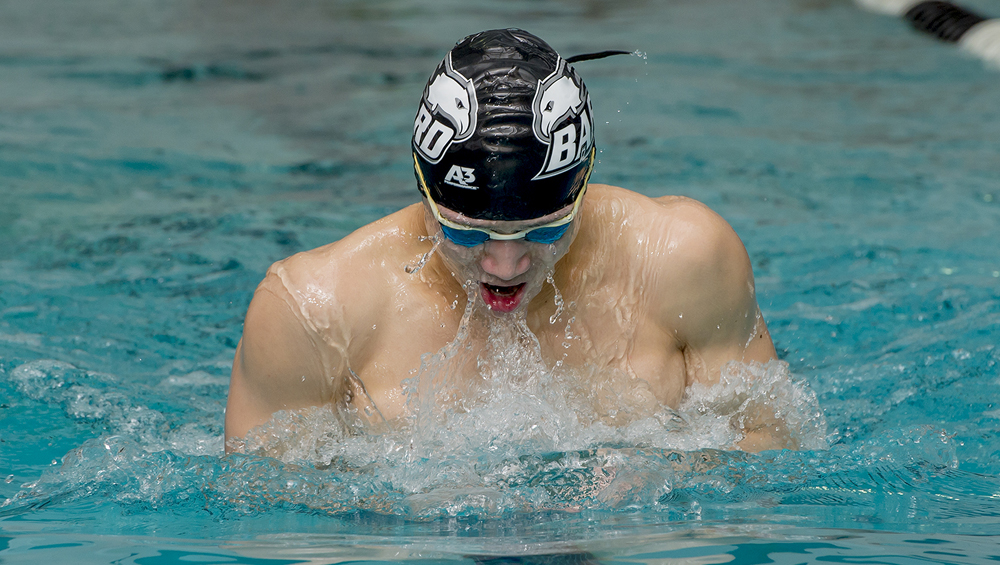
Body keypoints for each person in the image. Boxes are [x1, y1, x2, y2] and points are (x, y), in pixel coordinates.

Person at [225, 29, 789, 452]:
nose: (505, 263)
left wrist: (656, 481)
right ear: (424, 192)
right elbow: (275, 519)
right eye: (467, 233)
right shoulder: (312, 309)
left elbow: (772, 446)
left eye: (546, 229)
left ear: (584, 186)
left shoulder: (684, 257)